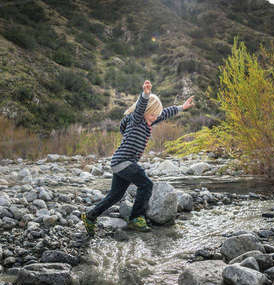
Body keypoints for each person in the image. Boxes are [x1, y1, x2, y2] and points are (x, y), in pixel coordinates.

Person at [81, 80, 195, 236]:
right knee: (147, 185)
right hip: (123, 161)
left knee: (115, 196)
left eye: (156, 115)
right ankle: (136, 217)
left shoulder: (150, 120)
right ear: (144, 111)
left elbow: (165, 113)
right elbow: (141, 105)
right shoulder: (137, 120)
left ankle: (90, 216)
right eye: (152, 114)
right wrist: (146, 95)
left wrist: (182, 107)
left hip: (121, 163)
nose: (155, 118)